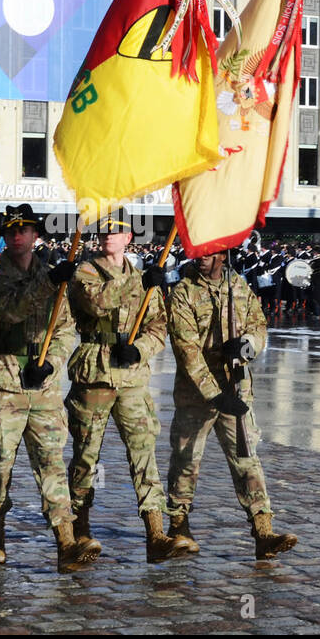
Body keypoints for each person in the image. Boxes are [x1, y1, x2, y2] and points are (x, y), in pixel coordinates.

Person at [0, 204, 99, 573]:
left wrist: (52, 363)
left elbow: (63, 329)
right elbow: (8, 311)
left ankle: (65, 540)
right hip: (5, 379)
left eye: (25, 229)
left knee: (51, 462)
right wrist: (49, 282)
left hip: (42, 383)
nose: (18, 236)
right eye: (11, 230)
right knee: (0, 462)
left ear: (35, 235)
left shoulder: (52, 275)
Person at [65, 209, 189, 563]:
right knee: (86, 455)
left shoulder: (140, 277)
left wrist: (140, 350)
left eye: (115, 233)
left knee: (143, 454)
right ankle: (80, 527)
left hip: (131, 376)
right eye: (103, 233)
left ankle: (156, 532)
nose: (107, 237)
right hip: (95, 372)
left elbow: (157, 326)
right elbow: (96, 301)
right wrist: (144, 282)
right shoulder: (86, 271)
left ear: (128, 238)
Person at [165, 247, 297, 560]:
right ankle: (178, 525)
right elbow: (187, 351)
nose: (200, 257)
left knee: (247, 457)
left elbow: (259, 325)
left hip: (236, 386)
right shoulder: (183, 292)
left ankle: (262, 530)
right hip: (197, 394)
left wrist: (247, 345)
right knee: (186, 459)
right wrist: (215, 394)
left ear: (223, 254)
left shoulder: (238, 285)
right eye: (197, 251)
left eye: (208, 252)